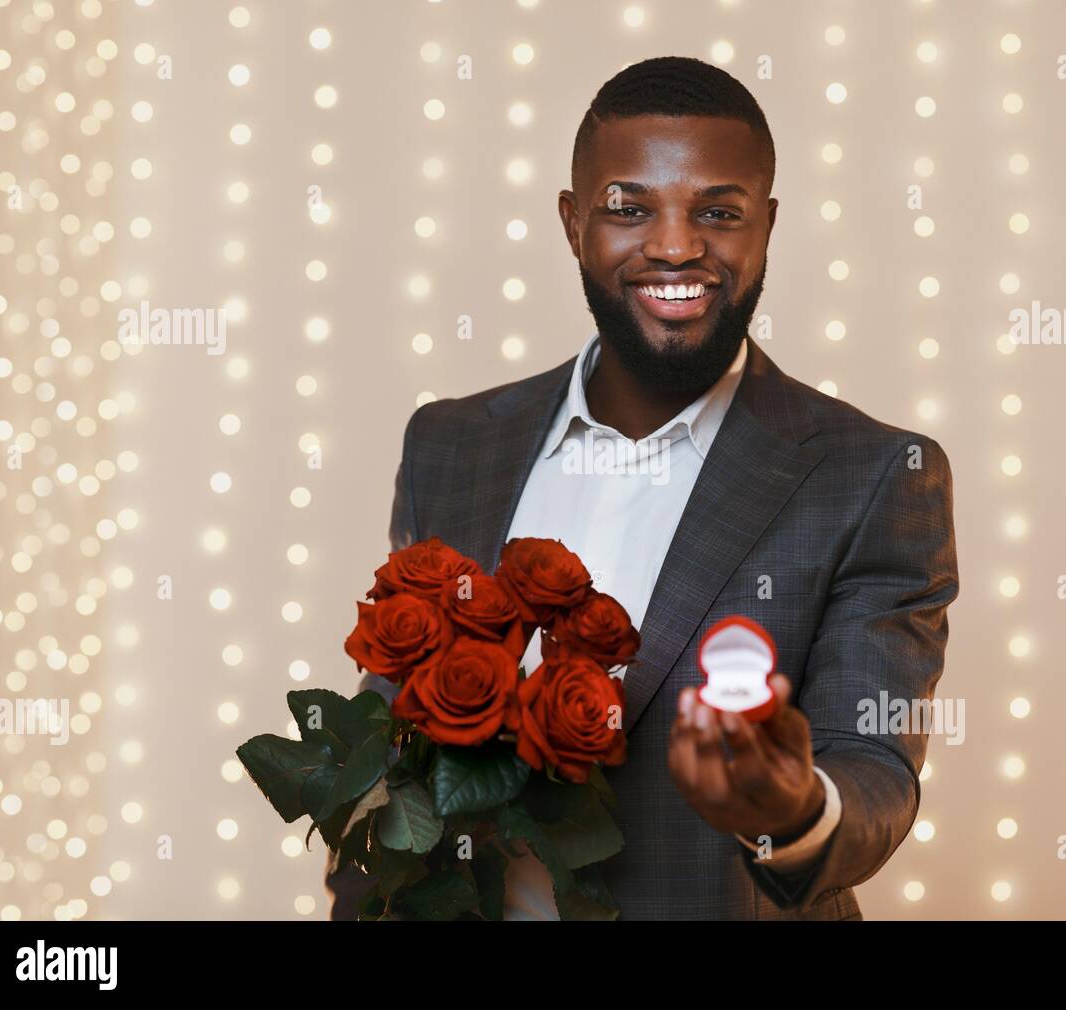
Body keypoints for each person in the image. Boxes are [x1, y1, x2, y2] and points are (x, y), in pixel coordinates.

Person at [329, 55, 959, 921]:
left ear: (766, 227)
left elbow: (873, 771)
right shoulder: (450, 443)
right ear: (572, 223)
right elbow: (390, 736)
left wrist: (792, 809)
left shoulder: (872, 475)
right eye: (629, 208)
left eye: (719, 212)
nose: (674, 245)